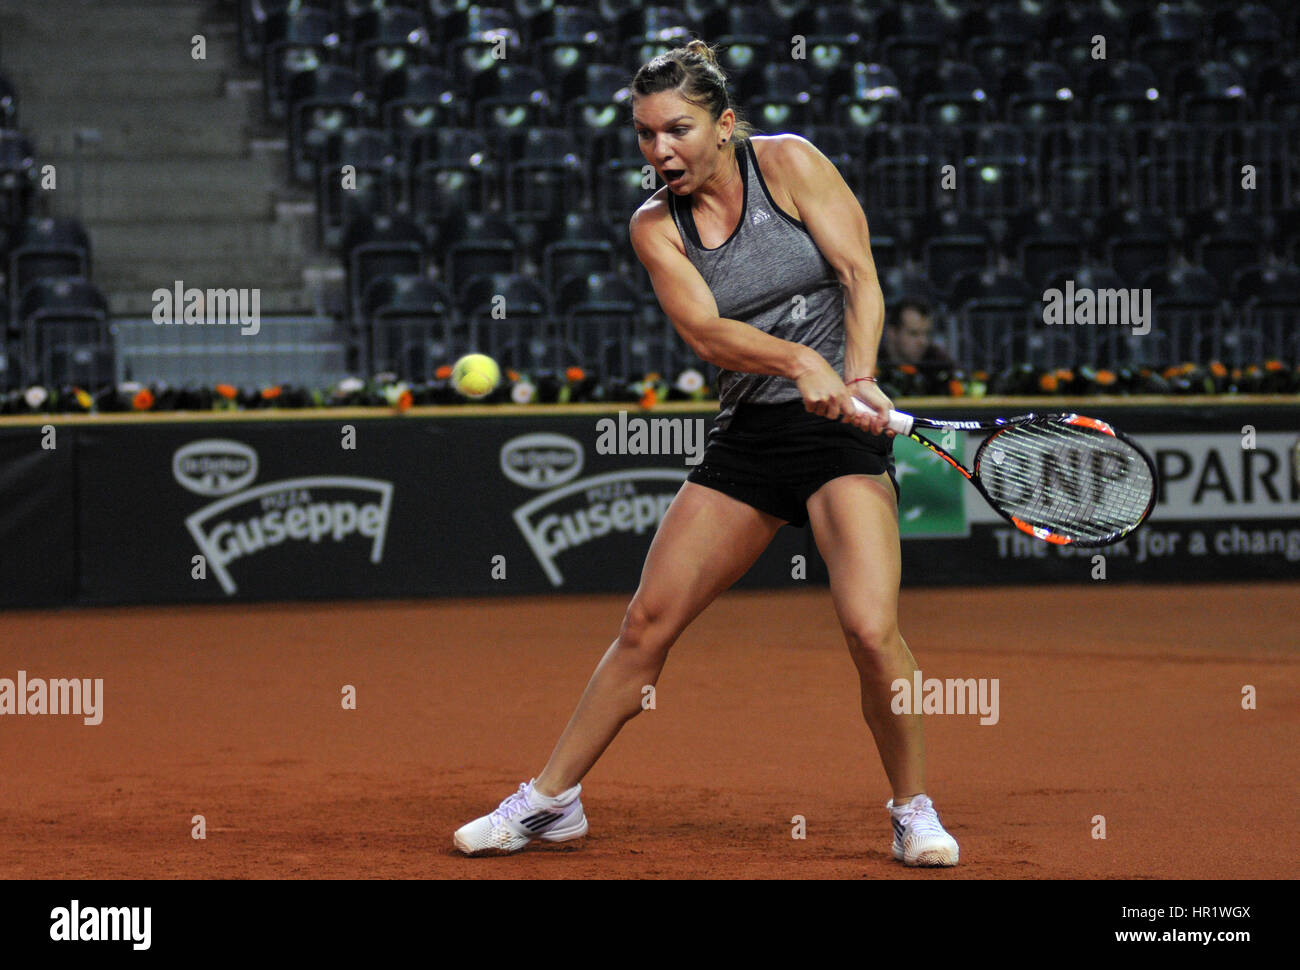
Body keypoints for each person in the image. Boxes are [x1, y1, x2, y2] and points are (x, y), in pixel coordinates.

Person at [453, 39, 959, 867]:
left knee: (871, 630)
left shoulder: (791, 165)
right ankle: (551, 803)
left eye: (677, 130)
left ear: (725, 124)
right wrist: (801, 362)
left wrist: (857, 373)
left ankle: (913, 810)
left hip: (837, 435)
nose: (660, 151)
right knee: (646, 626)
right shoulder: (656, 224)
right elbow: (705, 332)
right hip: (750, 437)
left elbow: (859, 275)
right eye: (646, 136)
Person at [875, 298, 958, 376]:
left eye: (927, 333)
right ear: (892, 333)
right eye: (914, 334)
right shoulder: (871, 364)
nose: (923, 342)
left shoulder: (939, 363)